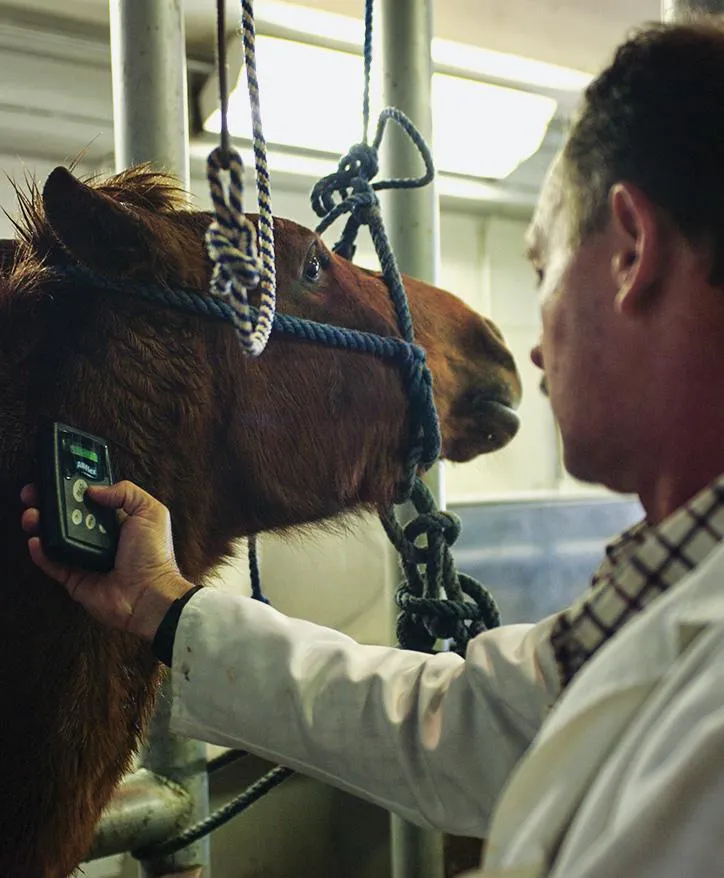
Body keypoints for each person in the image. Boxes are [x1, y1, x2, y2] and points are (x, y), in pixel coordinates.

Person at [20, 18, 724, 877]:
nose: (531, 348)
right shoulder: (666, 594)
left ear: (632, 255)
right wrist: (165, 610)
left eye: (541, 270)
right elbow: (468, 731)